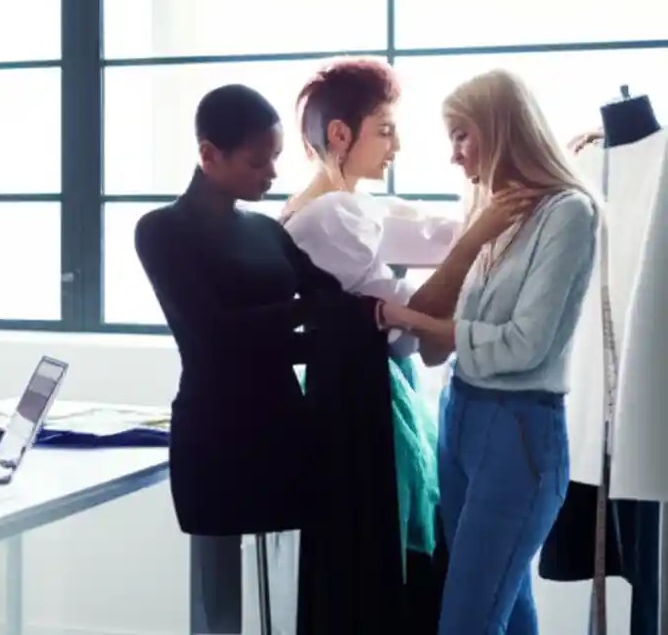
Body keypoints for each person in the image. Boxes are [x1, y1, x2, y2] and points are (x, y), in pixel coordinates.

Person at [134, 84, 362, 633]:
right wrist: (309, 315)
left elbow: (330, 299)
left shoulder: (265, 230)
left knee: (289, 596)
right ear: (209, 154)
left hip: (286, 427)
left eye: (276, 158)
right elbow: (213, 334)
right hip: (217, 435)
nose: (272, 174)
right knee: (217, 607)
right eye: (258, 162)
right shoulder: (162, 231)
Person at [377, 69, 599, 635]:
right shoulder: (488, 211)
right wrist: (470, 240)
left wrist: (410, 319)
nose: (453, 154)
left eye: (461, 135)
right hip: (460, 413)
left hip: (518, 432)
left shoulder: (569, 212)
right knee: (507, 607)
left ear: (501, 129)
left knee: (467, 620)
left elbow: (525, 344)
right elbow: (435, 344)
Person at [280, 59, 456, 564]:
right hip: (361, 390)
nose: (395, 146)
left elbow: (431, 233)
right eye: (384, 131)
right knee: (379, 543)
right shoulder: (331, 214)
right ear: (340, 134)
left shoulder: (337, 204)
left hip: (355, 383)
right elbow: (405, 314)